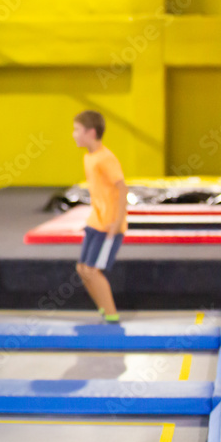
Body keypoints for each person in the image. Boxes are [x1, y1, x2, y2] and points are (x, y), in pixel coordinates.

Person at [72, 110, 128, 323]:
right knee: (82, 269)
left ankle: (112, 315)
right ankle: (104, 310)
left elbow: (122, 189)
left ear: (91, 132)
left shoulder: (105, 158)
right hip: (95, 222)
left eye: (77, 130)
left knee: (93, 271)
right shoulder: (89, 157)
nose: (74, 134)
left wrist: (117, 222)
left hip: (108, 225)